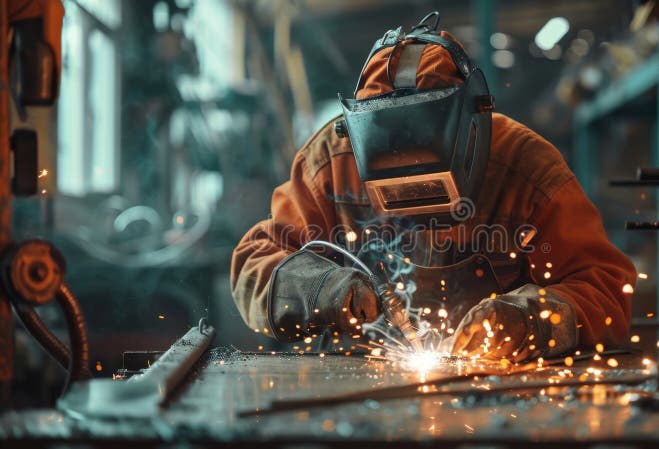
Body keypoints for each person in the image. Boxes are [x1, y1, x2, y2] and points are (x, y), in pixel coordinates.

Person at [230, 13, 636, 362]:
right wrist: (322, 289)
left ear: (473, 131)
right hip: (350, 381)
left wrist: (530, 319)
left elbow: (604, 287)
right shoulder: (330, 166)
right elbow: (253, 267)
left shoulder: (526, 169)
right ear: (358, 139)